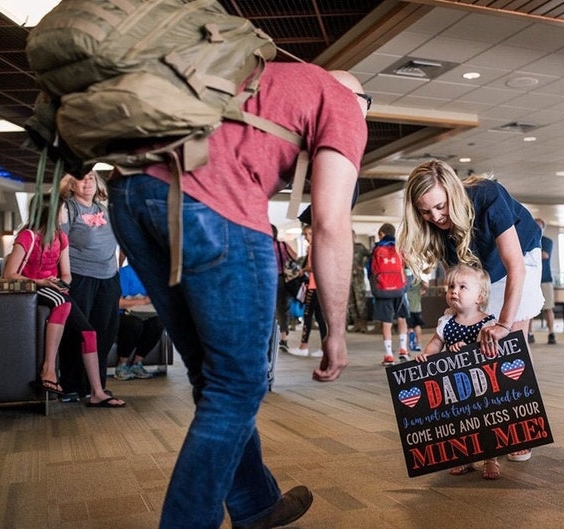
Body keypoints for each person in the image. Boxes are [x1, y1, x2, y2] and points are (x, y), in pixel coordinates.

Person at [106, 64, 368, 529]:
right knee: (239, 384)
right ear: (360, 101)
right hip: (209, 201)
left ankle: (255, 504)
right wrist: (334, 331)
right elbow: (330, 223)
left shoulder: (266, 77)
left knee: (215, 378)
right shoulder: (343, 102)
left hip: (130, 192)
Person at [398, 159, 544, 463]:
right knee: (480, 342)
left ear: (452, 192)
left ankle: (521, 431)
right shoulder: (436, 227)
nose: (436, 217)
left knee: (510, 343)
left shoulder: (488, 195)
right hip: (481, 268)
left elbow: (514, 266)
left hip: (519, 257)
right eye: (425, 212)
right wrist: (457, 327)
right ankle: (487, 428)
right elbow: (458, 284)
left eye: (440, 206)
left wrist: (503, 324)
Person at [3, 195, 125, 408]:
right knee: (63, 303)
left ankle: (96, 392)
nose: (65, 213)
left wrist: (60, 282)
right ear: (50, 212)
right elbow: (9, 274)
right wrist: (41, 281)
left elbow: (67, 275)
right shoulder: (28, 237)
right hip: (31, 289)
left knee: (89, 333)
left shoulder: (61, 238)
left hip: (53, 287)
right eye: (62, 210)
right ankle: (48, 369)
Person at [415, 264, 499, 478]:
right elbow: (436, 343)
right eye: (451, 286)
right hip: (456, 386)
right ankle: (466, 457)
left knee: (486, 420)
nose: (454, 291)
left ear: (479, 296)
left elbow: (492, 351)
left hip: (482, 384)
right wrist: (427, 355)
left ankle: (491, 458)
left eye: (463, 287)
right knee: (460, 422)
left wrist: (469, 349)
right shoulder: (446, 322)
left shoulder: (487, 323)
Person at [58, 170, 122, 400]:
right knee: (78, 333)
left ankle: (95, 387)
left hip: (108, 278)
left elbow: (120, 242)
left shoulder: (104, 209)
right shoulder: (68, 208)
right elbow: (60, 243)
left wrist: (117, 268)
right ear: (71, 184)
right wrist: (65, 275)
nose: (87, 182)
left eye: (91, 178)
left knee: (104, 333)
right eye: (81, 178)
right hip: (79, 276)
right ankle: (72, 386)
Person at [367, 222, 410, 366]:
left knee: (387, 323)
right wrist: (406, 286)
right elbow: (409, 268)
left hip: (383, 290)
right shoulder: (400, 247)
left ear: (381, 234)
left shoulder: (377, 249)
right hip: (400, 290)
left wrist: (375, 289)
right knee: (402, 319)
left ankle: (389, 355)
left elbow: (369, 271)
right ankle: (404, 350)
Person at [114, 259, 163, 380]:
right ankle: (122, 364)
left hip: (147, 313)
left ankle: (137, 363)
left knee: (158, 323)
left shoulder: (154, 274)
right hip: (124, 314)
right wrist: (144, 301)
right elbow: (118, 303)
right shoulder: (124, 273)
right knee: (134, 324)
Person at [288, 224, 326, 358]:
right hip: (321, 286)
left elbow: (314, 266)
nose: (308, 237)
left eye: (310, 234)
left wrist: (303, 270)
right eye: (306, 234)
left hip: (314, 286)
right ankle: (323, 348)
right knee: (320, 318)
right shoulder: (322, 247)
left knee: (308, 315)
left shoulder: (313, 248)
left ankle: (303, 347)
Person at [527, 218, 556, 345]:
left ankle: (551, 333)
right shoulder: (527, 239)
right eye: (535, 225)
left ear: (543, 228)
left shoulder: (546, 241)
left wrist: (528, 255)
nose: (537, 228)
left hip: (545, 279)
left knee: (548, 308)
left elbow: (545, 255)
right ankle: (529, 333)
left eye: (540, 226)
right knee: (530, 309)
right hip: (531, 279)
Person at [272, 224, 298, 351]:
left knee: (272, 309)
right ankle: (283, 338)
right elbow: (295, 257)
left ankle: (271, 338)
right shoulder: (283, 245)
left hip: (270, 280)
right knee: (284, 309)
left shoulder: (265, 246)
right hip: (285, 279)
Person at [348, 230, 370, 332]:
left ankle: (364, 324)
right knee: (351, 303)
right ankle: (356, 323)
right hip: (347, 279)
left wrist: (363, 265)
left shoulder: (360, 247)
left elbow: (370, 256)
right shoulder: (342, 248)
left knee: (361, 302)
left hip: (358, 279)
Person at [405, 268, 427, 352]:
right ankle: (419, 344)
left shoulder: (404, 277)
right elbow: (426, 285)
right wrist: (422, 290)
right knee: (417, 325)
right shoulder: (417, 277)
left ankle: (412, 341)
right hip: (417, 307)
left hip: (407, 306)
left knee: (409, 327)